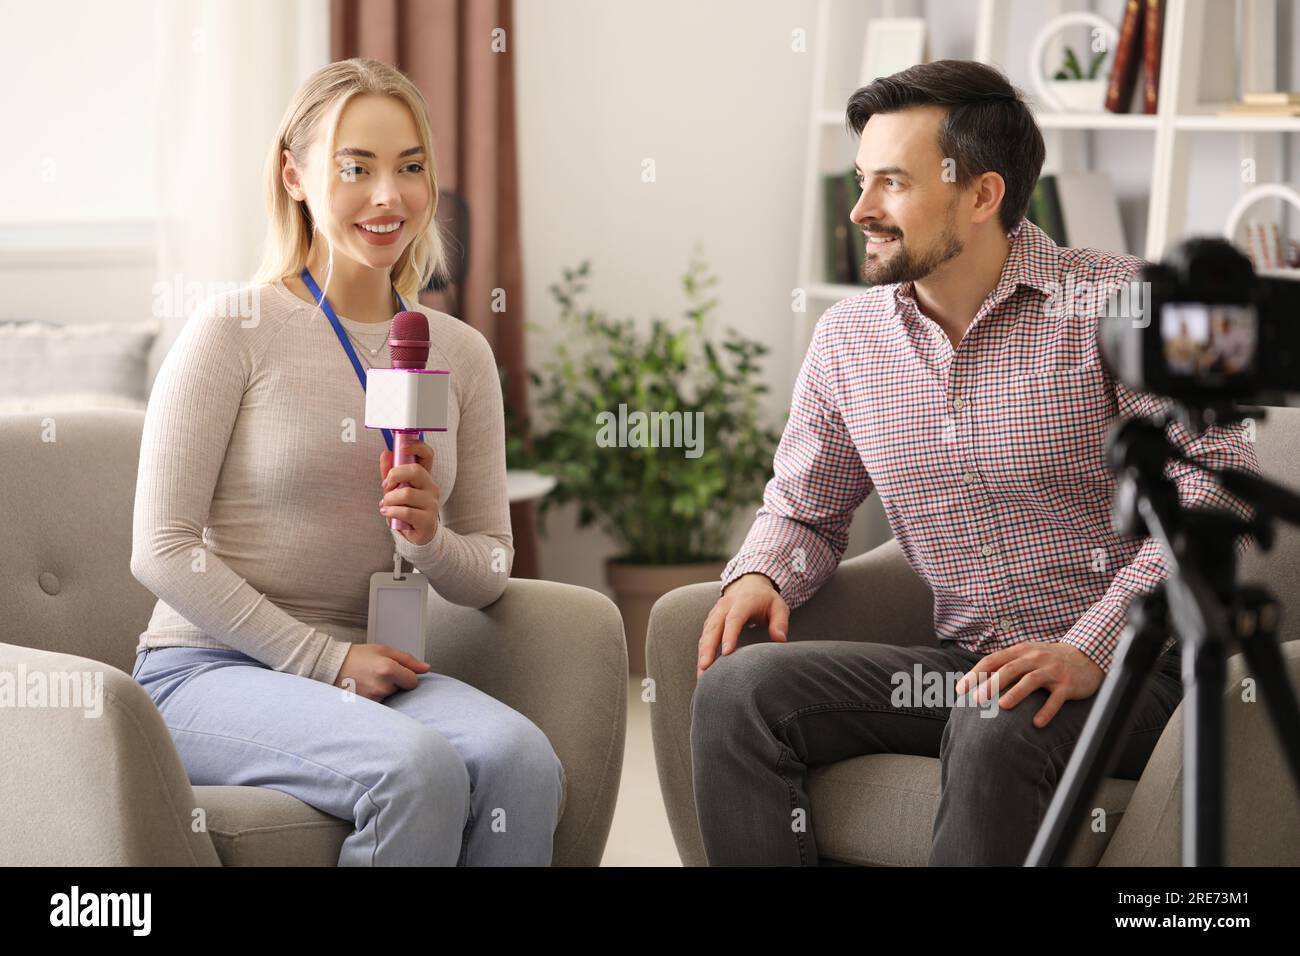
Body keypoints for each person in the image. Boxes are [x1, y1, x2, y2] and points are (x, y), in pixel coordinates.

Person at [690, 59, 1259, 866]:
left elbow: (1214, 501)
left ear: (983, 194)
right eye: (860, 180)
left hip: (1148, 670)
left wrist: (1092, 646)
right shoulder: (847, 342)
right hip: (968, 665)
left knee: (997, 714)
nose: (860, 210)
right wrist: (763, 575)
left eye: (891, 183)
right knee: (737, 693)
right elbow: (805, 506)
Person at [129, 58, 563, 866]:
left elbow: (489, 567)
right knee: (412, 769)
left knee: (523, 761)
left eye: (411, 167)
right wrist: (327, 663)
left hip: (377, 666)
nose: (388, 196)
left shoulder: (460, 354)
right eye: (355, 167)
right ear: (294, 176)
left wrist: (430, 538)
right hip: (207, 669)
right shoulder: (235, 327)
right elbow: (161, 547)